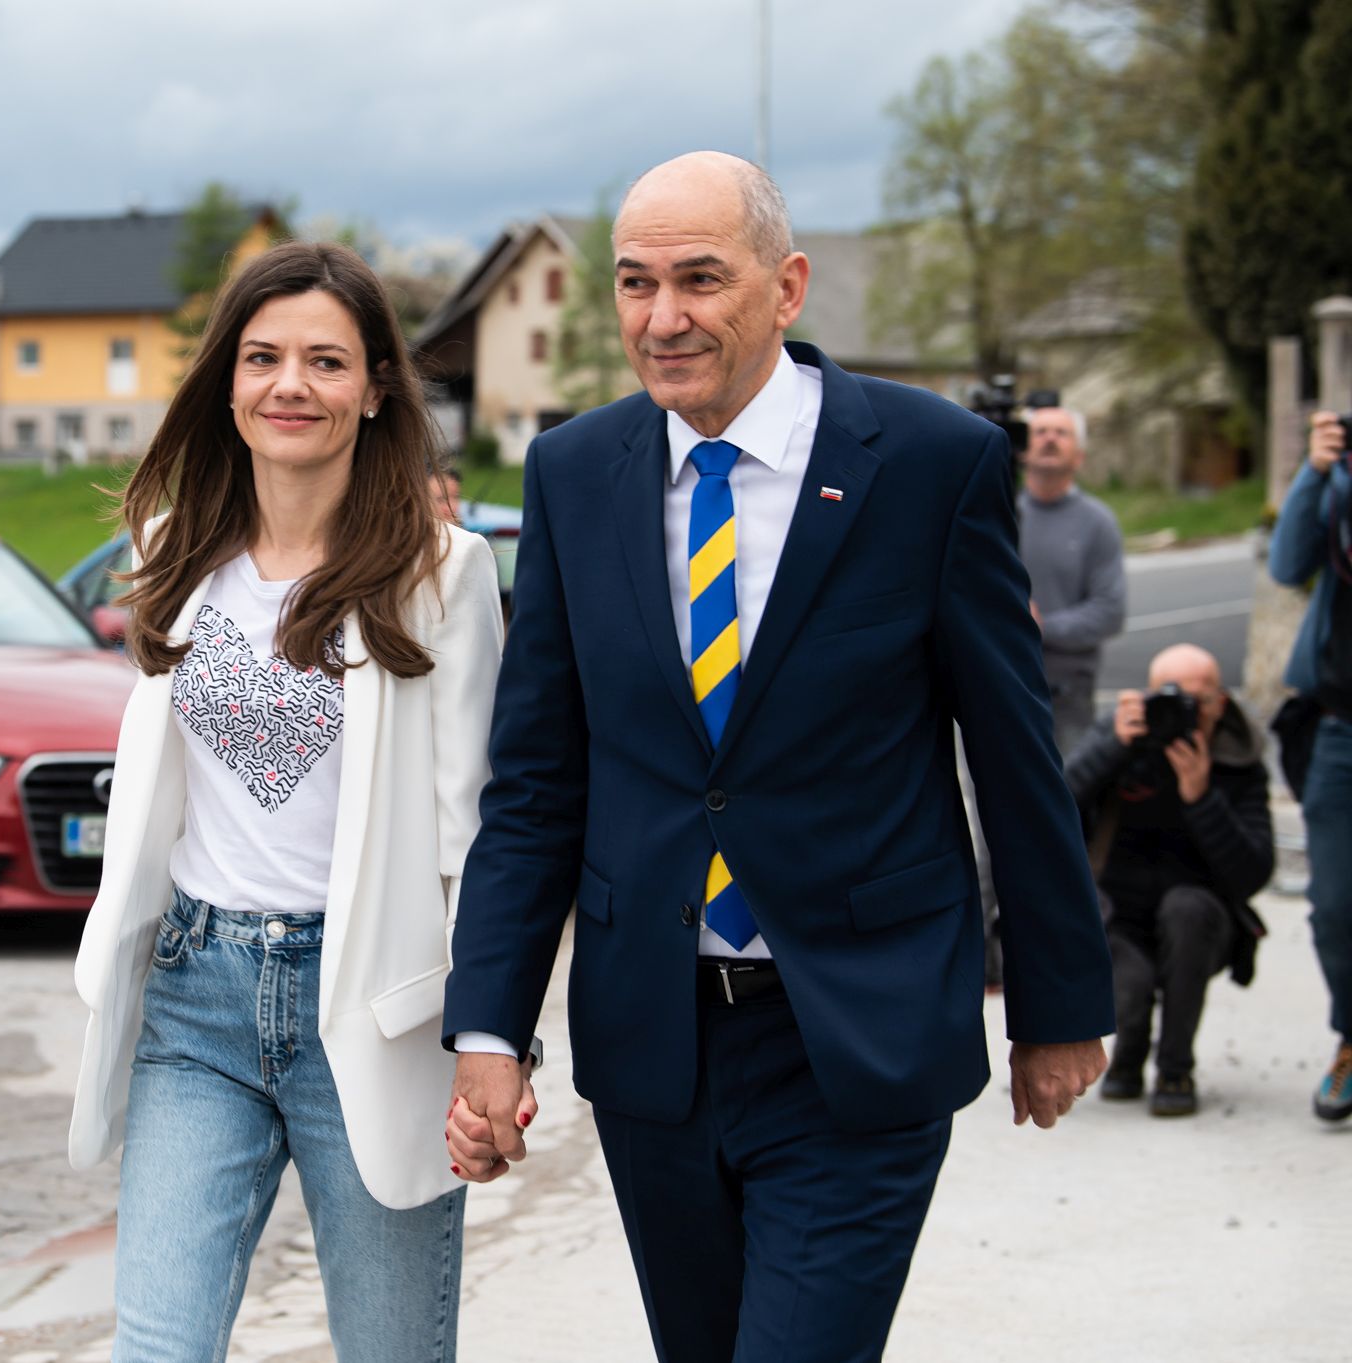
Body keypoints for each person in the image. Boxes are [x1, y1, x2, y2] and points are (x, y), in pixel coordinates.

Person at [439, 152, 1113, 1363]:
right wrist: (489, 1026)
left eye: (700, 278)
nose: (663, 317)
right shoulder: (572, 473)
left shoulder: (929, 462)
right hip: (656, 1042)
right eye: (635, 283)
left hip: (855, 1030)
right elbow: (537, 780)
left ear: (787, 285)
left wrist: (1057, 1001)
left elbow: (1011, 749)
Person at [65, 239, 509, 1362]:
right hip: (196, 997)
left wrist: (488, 1040)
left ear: (372, 391)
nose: (290, 385)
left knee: (391, 1351)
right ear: (227, 381)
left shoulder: (442, 572)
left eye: (325, 361)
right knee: (156, 1347)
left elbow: (473, 829)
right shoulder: (172, 551)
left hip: (365, 1006)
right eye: (262, 357)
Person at [1065, 644, 1272, 1117]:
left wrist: (1201, 797)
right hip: (1118, 915)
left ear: (1221, 702)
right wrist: (1112, 749)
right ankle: (1130, 1052)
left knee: (1186, 909)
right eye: (1171, 697)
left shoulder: (1240, 759)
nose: (1185, 712)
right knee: (1130, 978)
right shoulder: (1121, 738)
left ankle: (1176, 1065)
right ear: (1146, 696)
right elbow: (1052, 812)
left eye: (1199, 701)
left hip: (1201, 919)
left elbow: (1254, 873)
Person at [1267, 409, 1352, 1123]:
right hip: (1339, 727)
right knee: (1335, 908)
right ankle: (1351, 1037)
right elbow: (1288, 564)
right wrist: (1315, 471)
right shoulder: (1339, 487)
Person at [1020, 406, 1128, 754]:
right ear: (1022, 450)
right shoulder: (994, 515)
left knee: (1070, 793)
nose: (1050, 439)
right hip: (999, 677)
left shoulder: (1097, 523)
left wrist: (1041, 626)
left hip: (1067, 692)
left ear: (1079, 456)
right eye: (1040, 432)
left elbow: (1109, 611)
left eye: (1061, 433)